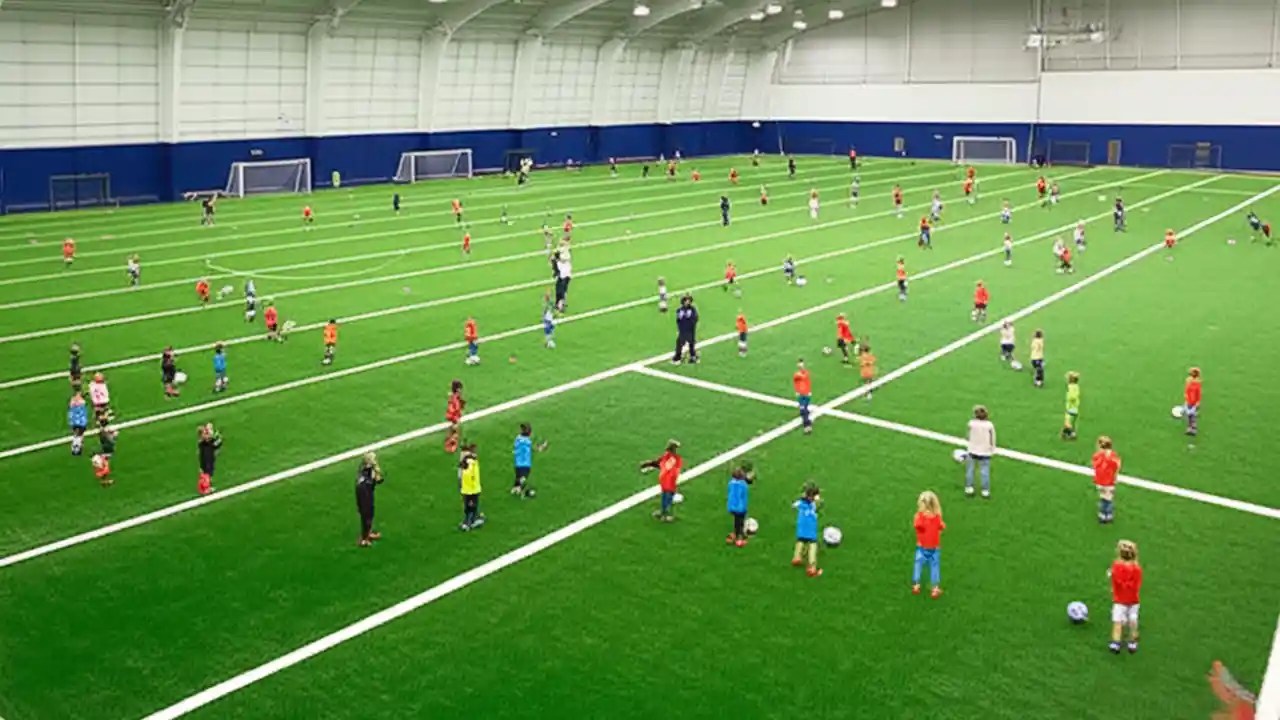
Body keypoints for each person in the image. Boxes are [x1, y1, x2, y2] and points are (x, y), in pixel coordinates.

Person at [1109, 539, 1143, 654]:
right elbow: (1136, 584)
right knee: (1133, 621)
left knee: (1117, 622)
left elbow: (1116, 581)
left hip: (1119, 600)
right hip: (1133, 600)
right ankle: (1132, 642)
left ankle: (1116, 643)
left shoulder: (1116, 566)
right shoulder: (1137, 569)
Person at [912, 490, 945, 598]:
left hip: (921, 547)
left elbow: (917, 526)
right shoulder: (937, 518)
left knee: (918, 564)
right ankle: (935, 589)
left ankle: (916, 585)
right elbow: (942, 527)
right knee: (934, 566)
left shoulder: (920, 517)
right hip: (934, 548)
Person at [640, 440, 682, 522]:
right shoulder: (676, 459)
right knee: (668, 496)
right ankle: (664, 515)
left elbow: (658, 463)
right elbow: (672, 468)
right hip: (669, 479)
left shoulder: (666, 455)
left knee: (666, 495)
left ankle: (662, 512)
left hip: (664, 477)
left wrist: (648, 464)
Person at [791, 482, 822, 577]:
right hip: (810, 529)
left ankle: (796, 557)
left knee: (800, 541)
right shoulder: (814, 505)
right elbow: (819, 505)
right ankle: (812, 568)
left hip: (801, 527)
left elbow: (793, 506)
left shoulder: (800, 502)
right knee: (813, 545)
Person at [964, 406, 995, 499]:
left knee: (970, 470)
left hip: (972, 450)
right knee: (984, 471)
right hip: (985, 452)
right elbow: (992, 438)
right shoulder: (989, 425)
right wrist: (992, 449)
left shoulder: (971, 423)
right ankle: (985, 491)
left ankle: (969, 488)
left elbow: (967, 436)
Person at [355, 452, 384, 546]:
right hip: (364, 493)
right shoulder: (368, 470)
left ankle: (368, 533)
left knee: (369, 514)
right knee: (367, 515)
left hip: (366, 492)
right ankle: (364, 539)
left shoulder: (366, 469)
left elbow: (379, 480)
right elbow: (379, 479)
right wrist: (376, 468)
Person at [512, 423, 546, 498]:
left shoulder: (518, 438)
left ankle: (515, 489)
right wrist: (542, 446)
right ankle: (522, 489)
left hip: (517, 463)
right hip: (525, 464)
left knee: (518, 475)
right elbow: (536, 449)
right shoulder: (528, 442)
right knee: (523, 477)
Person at [1092, 436, 1121, 524]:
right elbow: (1117, 466)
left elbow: (1095, 465)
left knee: (1103, 498)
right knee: (1108, 498)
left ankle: (1103, 515)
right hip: (1109, 482)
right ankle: (1108, 515)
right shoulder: (1113, 456)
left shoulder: (1098, 456)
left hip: (1101, 481)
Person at [725, 464, 755, 547]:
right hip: (740, 508)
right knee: (740, 523)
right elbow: (748, 483)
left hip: (731, 507)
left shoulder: (730, 483)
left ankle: (734, 534)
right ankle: (739, 539)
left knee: (736, 521)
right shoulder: (743, 485)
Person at [459, 442, 485, 531]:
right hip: (473, 489)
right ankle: (471, 522)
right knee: (472, 506)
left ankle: (467, 521)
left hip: (465, 489)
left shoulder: (464, 462)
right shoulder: (473, 462)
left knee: (468, 506)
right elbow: (473, 476)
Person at [197, 422, 223, 495]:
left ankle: (205, 487)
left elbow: (215, 445)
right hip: (206, 461)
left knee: (208, 474)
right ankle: (204, 489)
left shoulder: (208, 442)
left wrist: (218, 439)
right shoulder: (203, 443)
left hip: (210, 460)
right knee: (206, 474)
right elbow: (212, 443)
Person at [672, 294, 699, 365]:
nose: (687, 302)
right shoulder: (680, 310)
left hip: (690, 329)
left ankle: (693, 357)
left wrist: (691, 325)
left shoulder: (692, 309)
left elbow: (695, 318)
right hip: (682, 329)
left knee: (691, 344)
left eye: (689, 301)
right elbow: (678, 320)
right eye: (686, 301)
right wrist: (679, 328)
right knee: (679, 343)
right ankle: (677, 357)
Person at [793, 359, 813, 434]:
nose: (800, 365)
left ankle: (807, 422)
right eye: (799, 364)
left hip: (806, 393)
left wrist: (809, 391)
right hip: (801, 394)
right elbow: (796, 382)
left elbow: (808, 382)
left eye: (801, 364)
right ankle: (807, 426)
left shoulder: (806, 373)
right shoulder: (796, 375)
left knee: (804, 409)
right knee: (803, 409)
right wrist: (797, 391)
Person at [444, 379, 464, 453]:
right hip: (453, 416)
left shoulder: (454, 396)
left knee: (454, 430)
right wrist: (456, 419)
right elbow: (455, 409)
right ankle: (451, 445)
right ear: (458, 389)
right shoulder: (455, 398)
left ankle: (451, 442)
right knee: (455, 430)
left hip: (451, 415)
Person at [1183, 366, 1202, 436]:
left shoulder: (1197, 383)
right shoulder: (1188, 381)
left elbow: (1198, 393)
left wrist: (1198, 402)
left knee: (1192, 416)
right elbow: (1187, 390)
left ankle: (1193, 429)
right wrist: (1186, 396)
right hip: (1189, 401)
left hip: (1194, 402)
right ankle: (1189, 428)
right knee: (1188, 415)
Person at [1062, 371, 1081, 440]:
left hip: (1070, 408)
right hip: (1075, 407)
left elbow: (1072, 396)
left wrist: (1070, 399)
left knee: (1067, 423)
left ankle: (1072, 434)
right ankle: (1064, 434)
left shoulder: (1071, 387)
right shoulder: (1077, 386)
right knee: (1071, 422)